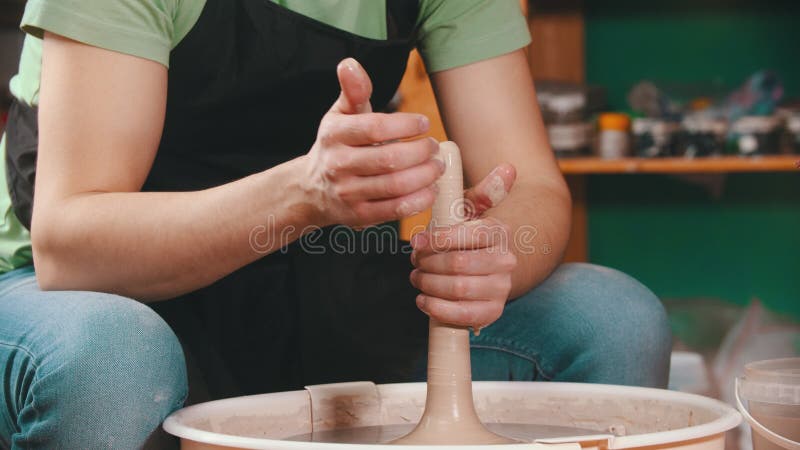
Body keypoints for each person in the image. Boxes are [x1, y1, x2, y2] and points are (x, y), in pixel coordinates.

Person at [0, 0, 671, 447]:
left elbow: (535, 187)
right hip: (97, 296)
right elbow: (70, 246)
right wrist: (302, 194)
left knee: (611, 319)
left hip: (322, 287)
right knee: (112, 361)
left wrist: (489, 257)